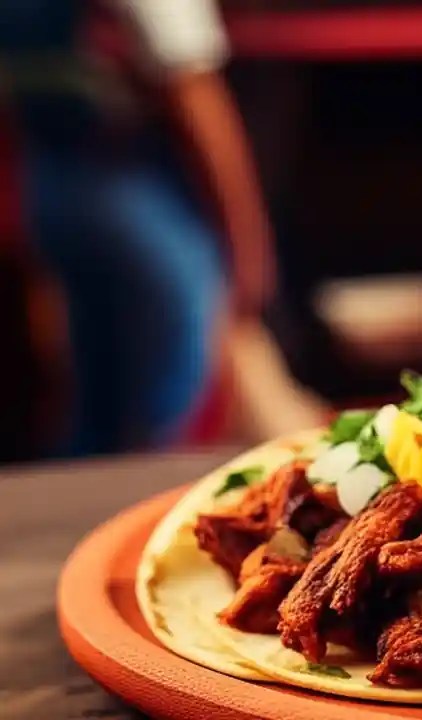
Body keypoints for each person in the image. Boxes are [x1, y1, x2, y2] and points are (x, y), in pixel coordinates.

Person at [1, 0, 318, 454]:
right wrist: (248, 242)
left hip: (48, 182)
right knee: (171, 395)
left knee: (96, 394)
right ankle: (143, 519)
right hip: (127, 183)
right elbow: (192, 88)